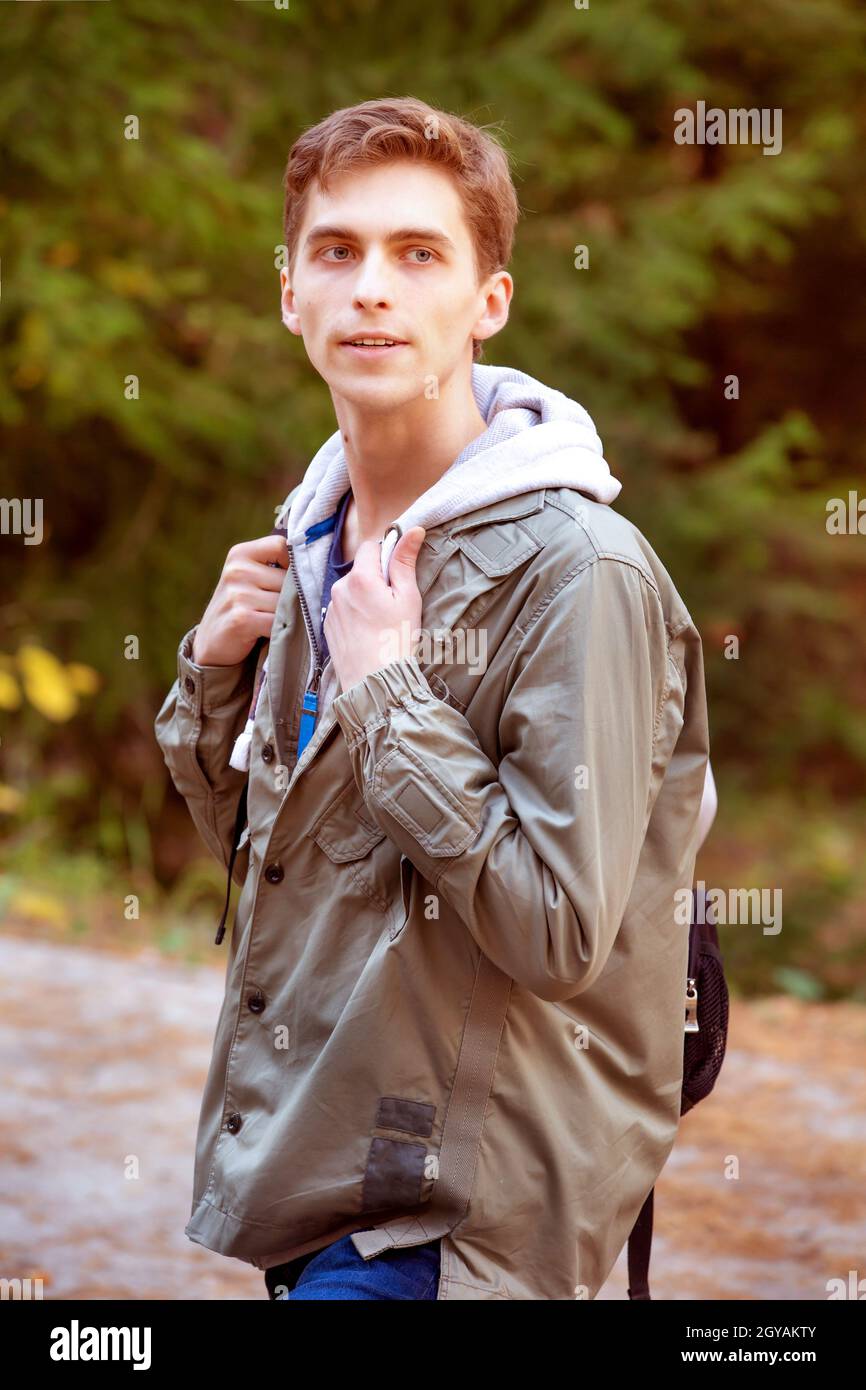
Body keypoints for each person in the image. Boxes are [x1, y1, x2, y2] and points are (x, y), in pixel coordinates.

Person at [154, 96, 714, 1301]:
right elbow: (279, 873)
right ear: (288, 289)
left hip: (455, 1221)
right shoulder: (315, 551)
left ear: (487, 302)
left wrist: (392, 691)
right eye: (337, 252)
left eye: (418, 256)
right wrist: (211, 675)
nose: (371, 289)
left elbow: (559, 930)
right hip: (317, 1172)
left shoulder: (581, 572)